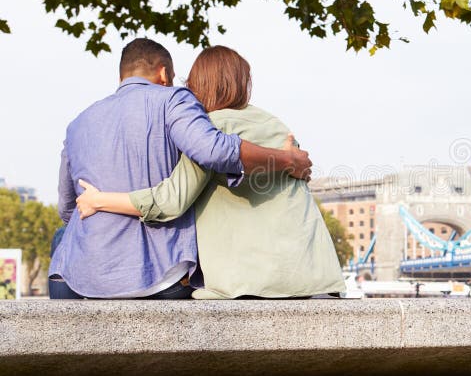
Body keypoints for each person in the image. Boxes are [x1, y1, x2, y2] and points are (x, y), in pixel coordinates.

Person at [75, 46, 345, 299]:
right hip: (318, 278)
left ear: (198, 85)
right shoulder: (276, 125)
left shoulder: (209, 131)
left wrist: (98, 200)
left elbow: (171, 201)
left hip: (249, 285)